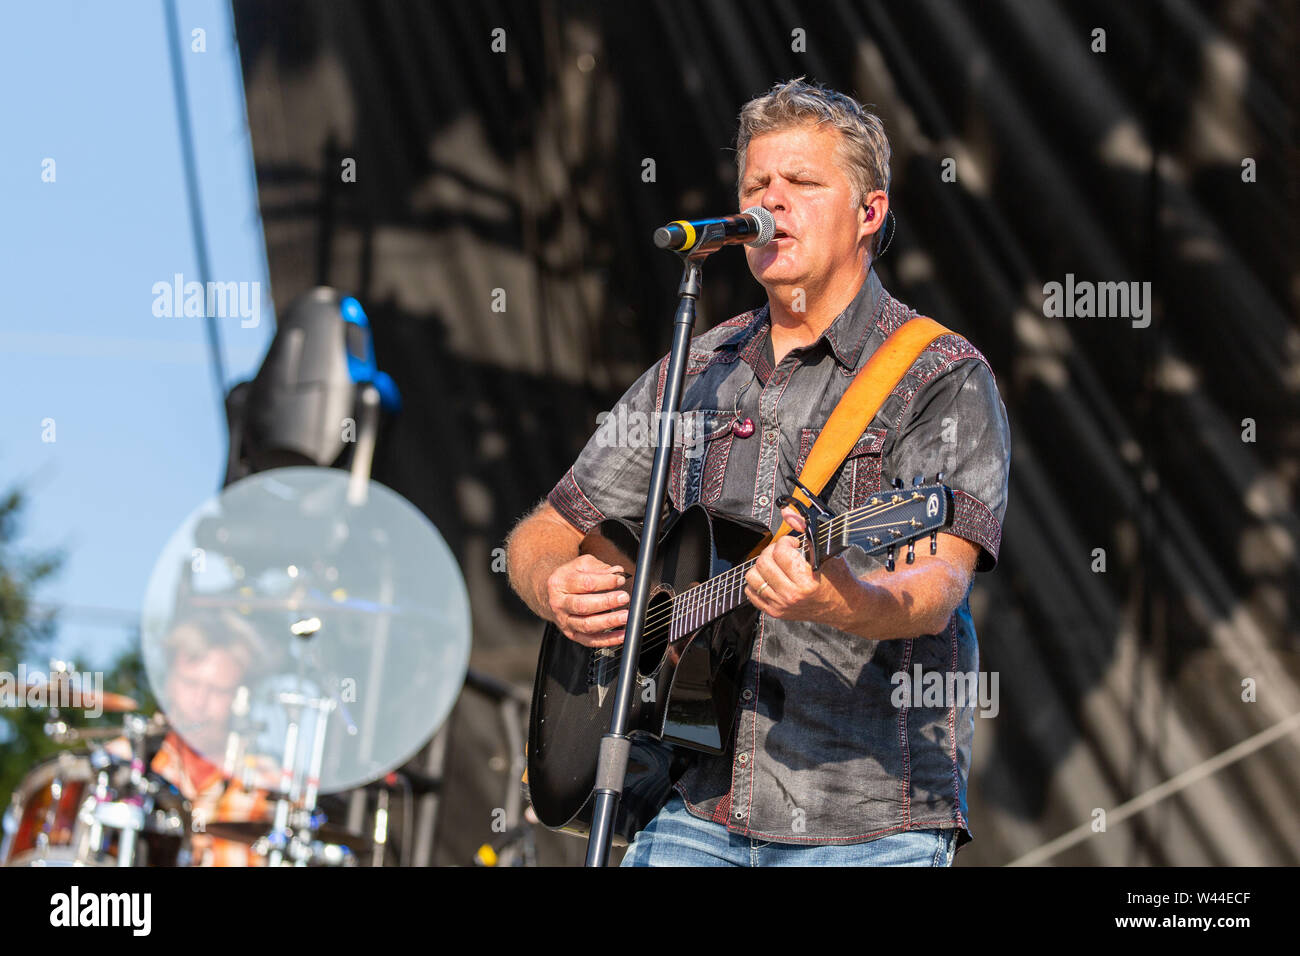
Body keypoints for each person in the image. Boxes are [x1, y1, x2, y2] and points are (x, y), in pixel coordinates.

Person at [506, 77, 1011, 866]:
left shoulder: (938, 373)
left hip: (867, 820)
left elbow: (936, 591)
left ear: (869, 213)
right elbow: (546, 530)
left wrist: (837, 600)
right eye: (755, 187)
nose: (771, 203)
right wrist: (554, 587)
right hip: (693, 801)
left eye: (802, 184)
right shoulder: (698, 367)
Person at [110, 610, 275, 866]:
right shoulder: (123, 761)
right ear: (168, 685)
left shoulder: (270, 785)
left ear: (241, 699)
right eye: (189, 683)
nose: (199, 702)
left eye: (217, 690)